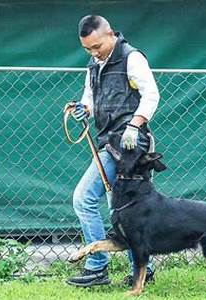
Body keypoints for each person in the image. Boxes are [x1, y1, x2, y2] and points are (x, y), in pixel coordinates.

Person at [66, 15, 160, 287]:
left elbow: (151, 95)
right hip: (109, 142)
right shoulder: (94, 65)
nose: (93, 53)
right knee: (124, 210)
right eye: (87, 49)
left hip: (131, 145)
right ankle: (144, 270)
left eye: (96, 47)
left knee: (84, 199)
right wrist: (84, 109)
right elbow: (90, 97)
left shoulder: (132, 58)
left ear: (110, 35)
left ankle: (97, 266)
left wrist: (135, 125)